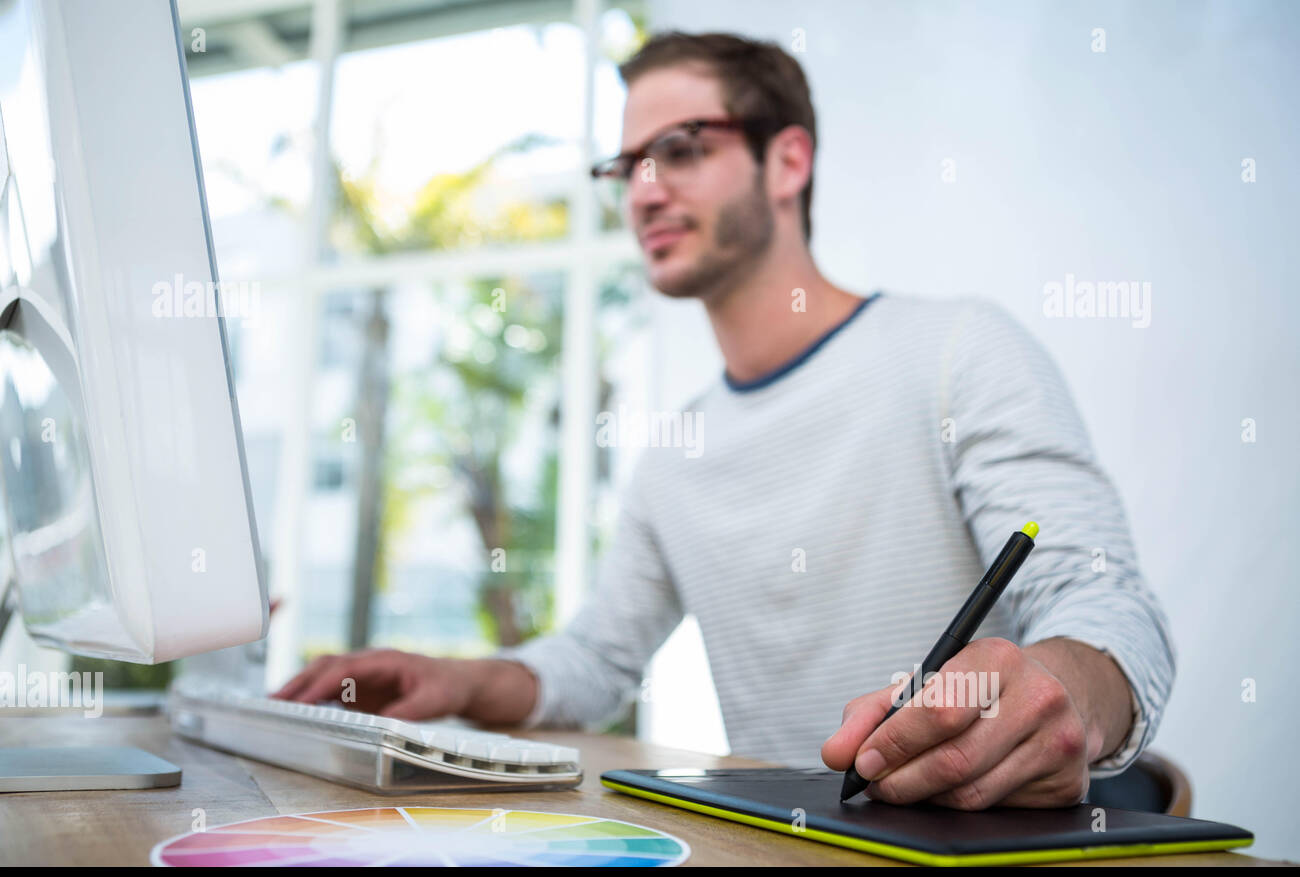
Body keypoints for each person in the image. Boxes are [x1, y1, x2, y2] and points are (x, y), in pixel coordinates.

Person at [275, 31, 1174, 810]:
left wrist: (1065, 685)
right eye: (627, 167)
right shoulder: (679, 453)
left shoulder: (957, 352)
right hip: (791, 850)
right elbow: (595, 662)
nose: (645, 191)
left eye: (681, 148)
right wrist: (453, 679)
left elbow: (1107, 604)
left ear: (788, 161)